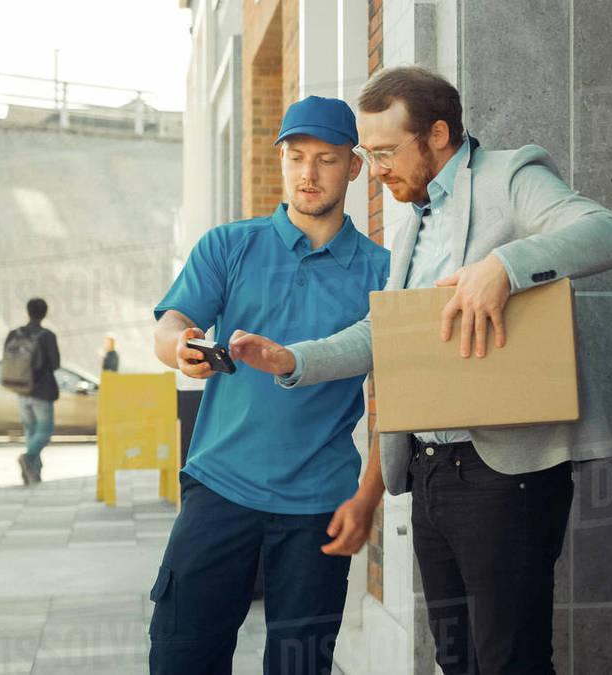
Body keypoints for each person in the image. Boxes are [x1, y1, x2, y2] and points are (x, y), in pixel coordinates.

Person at [229, 66, 612, 674]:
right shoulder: (412, 219)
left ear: (438, 135)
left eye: (387, 151)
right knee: (457, 660)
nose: (378, 167)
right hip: (428, 468)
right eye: (369, 153)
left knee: (510, 661)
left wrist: (504, 265)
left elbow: (609, 233)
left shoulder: (511, 176)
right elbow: (385, 334)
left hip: (506, 471)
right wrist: (294, 360)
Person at [146, 95, 390, 674]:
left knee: (299, 668)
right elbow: (171, 322)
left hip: (320, 505)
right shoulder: (230, 246)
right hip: (220, 487)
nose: (309, 173)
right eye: (296, 156)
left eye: (327, 159)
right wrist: (179, 349)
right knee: (183, 657)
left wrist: (368, 495)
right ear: (280, 159)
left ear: (354, 167)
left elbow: (401, 398)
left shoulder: (383, 272)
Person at [6, 297, 60, 485]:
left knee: (31, 432)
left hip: (21, 390)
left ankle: (33, 474)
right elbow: (55, 364)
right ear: (44, 313)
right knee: (45, 431)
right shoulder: (47, 336)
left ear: (27, 312)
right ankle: (29, 459)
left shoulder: (15, 334)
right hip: (42, 392)